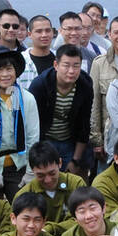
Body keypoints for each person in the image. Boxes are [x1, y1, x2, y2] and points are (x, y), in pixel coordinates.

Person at [0, 46, 39, 199]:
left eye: (9, 69)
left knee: (23, 207)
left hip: (20, 166)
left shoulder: (27, 98)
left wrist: (30, 171)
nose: (5, 74)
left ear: (16, 71)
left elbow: (33, 138)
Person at [30, 44, 92, 174]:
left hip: (70, 139)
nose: (71, 71)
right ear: (56, 65)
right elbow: (32, 123)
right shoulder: (40, 84)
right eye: (66, 65)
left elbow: (84, 125)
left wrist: (75, 160)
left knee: (71, 180)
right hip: (45, 139)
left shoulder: (85, 84)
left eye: (76, 66)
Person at [15, 141, 84, 236]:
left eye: (52, 173)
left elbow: (83, 219)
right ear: (32, 169)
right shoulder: (24, 194)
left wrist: (50, 228)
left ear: (60, 163)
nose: (47, 180)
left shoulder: (75, 184)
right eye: (40, 175)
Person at [90, 16, 118, 160]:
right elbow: (94, 103)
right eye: (116, 32)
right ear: (109, 34)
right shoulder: (99, 64)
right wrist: (97, 139)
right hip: (109, 138)